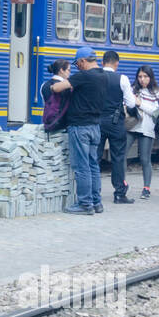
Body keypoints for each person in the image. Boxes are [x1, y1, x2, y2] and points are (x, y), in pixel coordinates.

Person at [50, 45, 108, 215]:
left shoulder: (83, 76)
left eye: (77, 64)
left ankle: (84, 204)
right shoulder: (104, 76)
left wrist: (53, 86)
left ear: (83, 61)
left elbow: (58, 88)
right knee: (93, 165)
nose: (77, 67)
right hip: (95, 126)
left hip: (80, 127)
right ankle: (97, 203)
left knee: (81, 166)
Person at [99, 51, 138, 203]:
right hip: (116, 123)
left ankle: (94, 192)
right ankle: (119, 194)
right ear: (117, 63)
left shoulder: (96, 76)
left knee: (94, 157)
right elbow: (131, 104)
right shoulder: (122, 78)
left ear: (102, 63)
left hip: (98, 121)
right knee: (118, 157)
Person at [130, 65, 159, 199]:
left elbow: (155, 112)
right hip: (131, 126)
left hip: (147, 128)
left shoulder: (157, 93)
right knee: (121, 153)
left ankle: (146, 188)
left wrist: (140, 103)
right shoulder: (132, 89)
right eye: (140, 76)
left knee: (144, 159)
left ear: (150, 77)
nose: (142, 79)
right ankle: (121, 184)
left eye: (145, 76)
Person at [41, 59, 72, 131]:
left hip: (48, 123)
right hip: (63, 125)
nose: (69, 73)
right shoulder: (66, 87)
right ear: (61, 70)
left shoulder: (44, 85)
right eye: (68, 70)